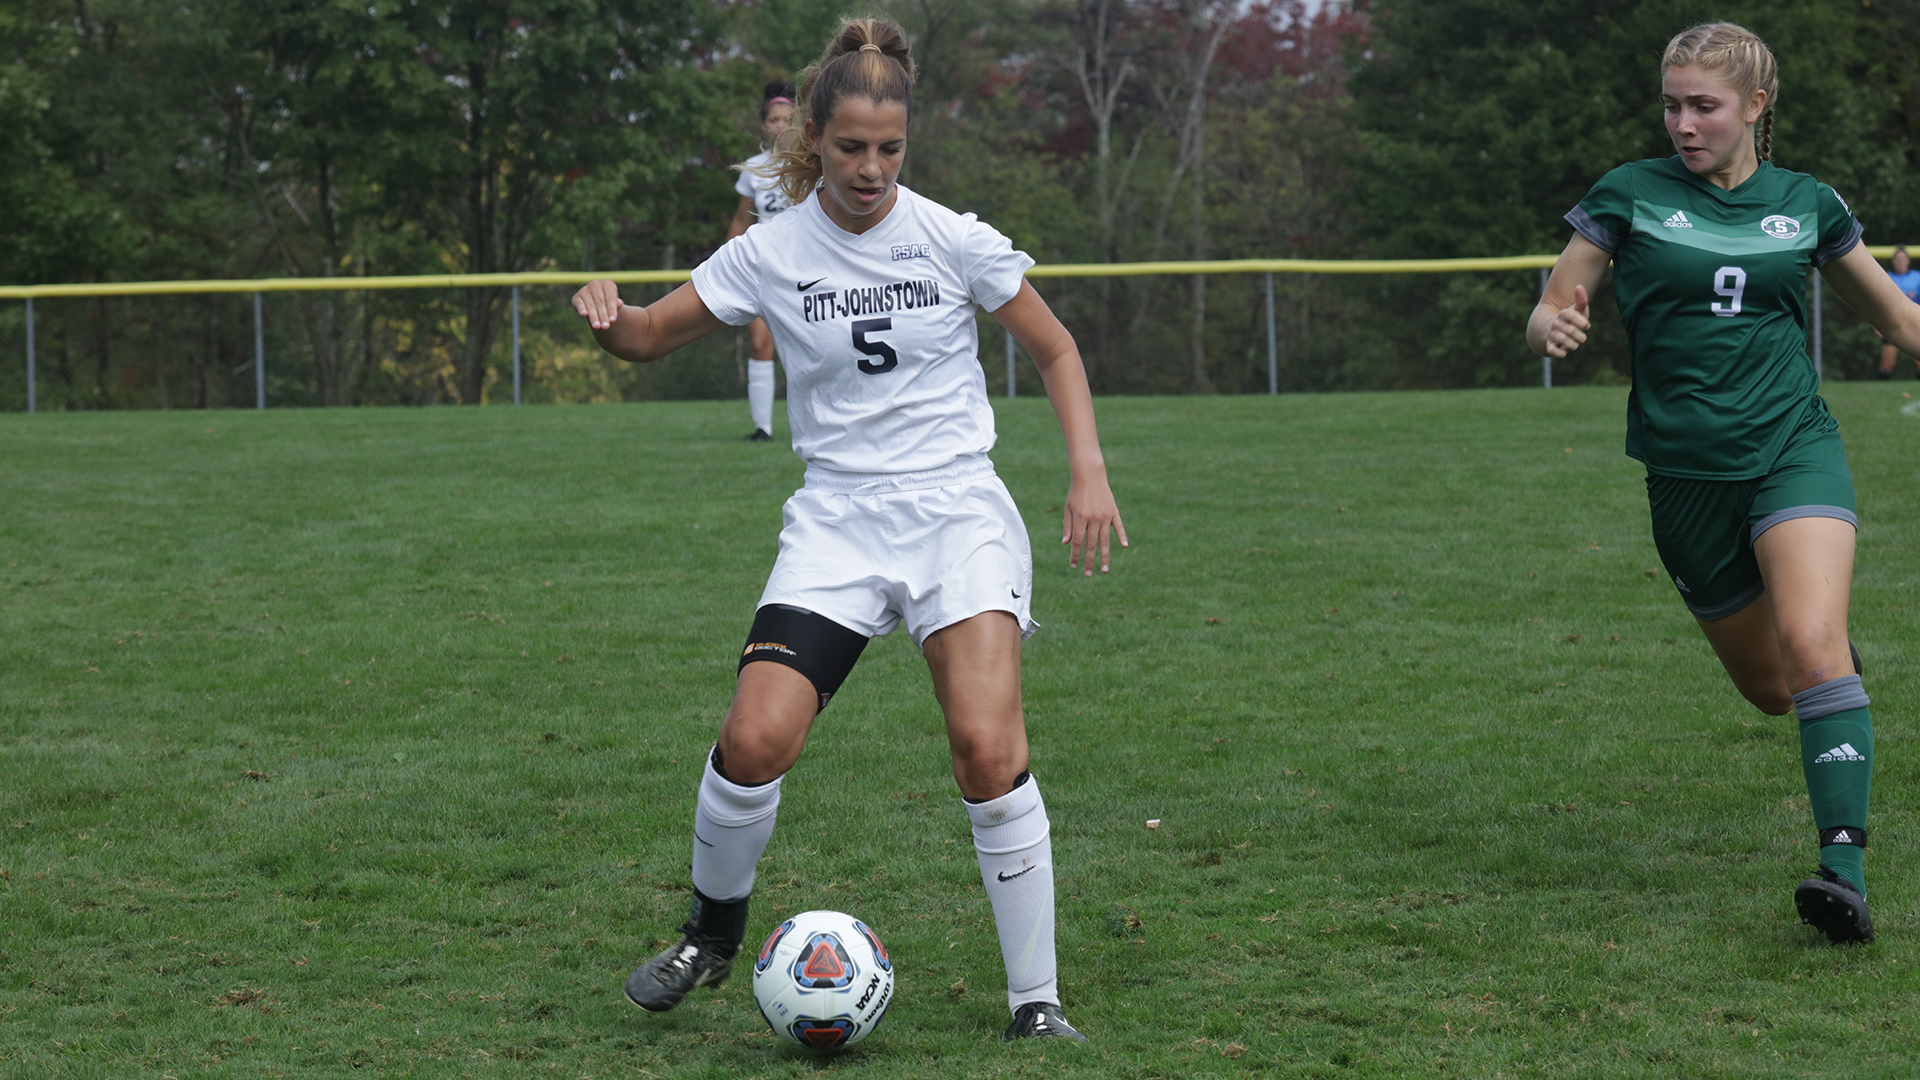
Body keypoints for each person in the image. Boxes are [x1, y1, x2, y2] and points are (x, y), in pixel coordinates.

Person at [572, 17, 1126, 1040]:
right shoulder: (772, 251)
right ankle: (710, 934)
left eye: (891, 148)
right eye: (850, 148)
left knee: (985, 746)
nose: (871, 169)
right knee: (754, 736)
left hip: (956, 509)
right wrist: (612, 322)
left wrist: (1086, 474)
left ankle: (1034, 1002)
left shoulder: (953, 236)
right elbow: (652, 333)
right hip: (839, 520)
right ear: (812, 143)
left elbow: (1056, 349)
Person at [1529, 22, 1920, 944]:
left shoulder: (1809, 204)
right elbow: (1552, 302)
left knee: (1814, 644)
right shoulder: (1626, 193)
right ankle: (1831, 690)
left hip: (1794, 448)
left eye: (1703, 105)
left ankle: (1844, 870)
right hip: (1685, 479)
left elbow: (1902, 324)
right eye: (1672, 104)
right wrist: (1547, 328)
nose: (1684, 124)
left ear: (1756, 104)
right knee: (1776, 687)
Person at [730, 80, 799, 439]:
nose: (780, 126)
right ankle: (763, 428)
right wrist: (727, 262)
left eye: (788, 119)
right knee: (761, 344)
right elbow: (741, 221)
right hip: (762, 265)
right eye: (774, 120)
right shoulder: (754, 169)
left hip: (803, 266)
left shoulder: (809, 164)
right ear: (764, 125)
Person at [1874, 245, 1920, 379]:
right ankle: (1880, 393)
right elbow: (1878, 303)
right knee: (1887, 365)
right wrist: (1877, 324)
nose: (1900, 262)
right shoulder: (1886, 277)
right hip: (1891, 323)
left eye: (1903, 259)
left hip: (1912, 322)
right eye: (1897, 259)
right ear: (1893, 261)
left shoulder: (1916, 277)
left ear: (1908, 261)